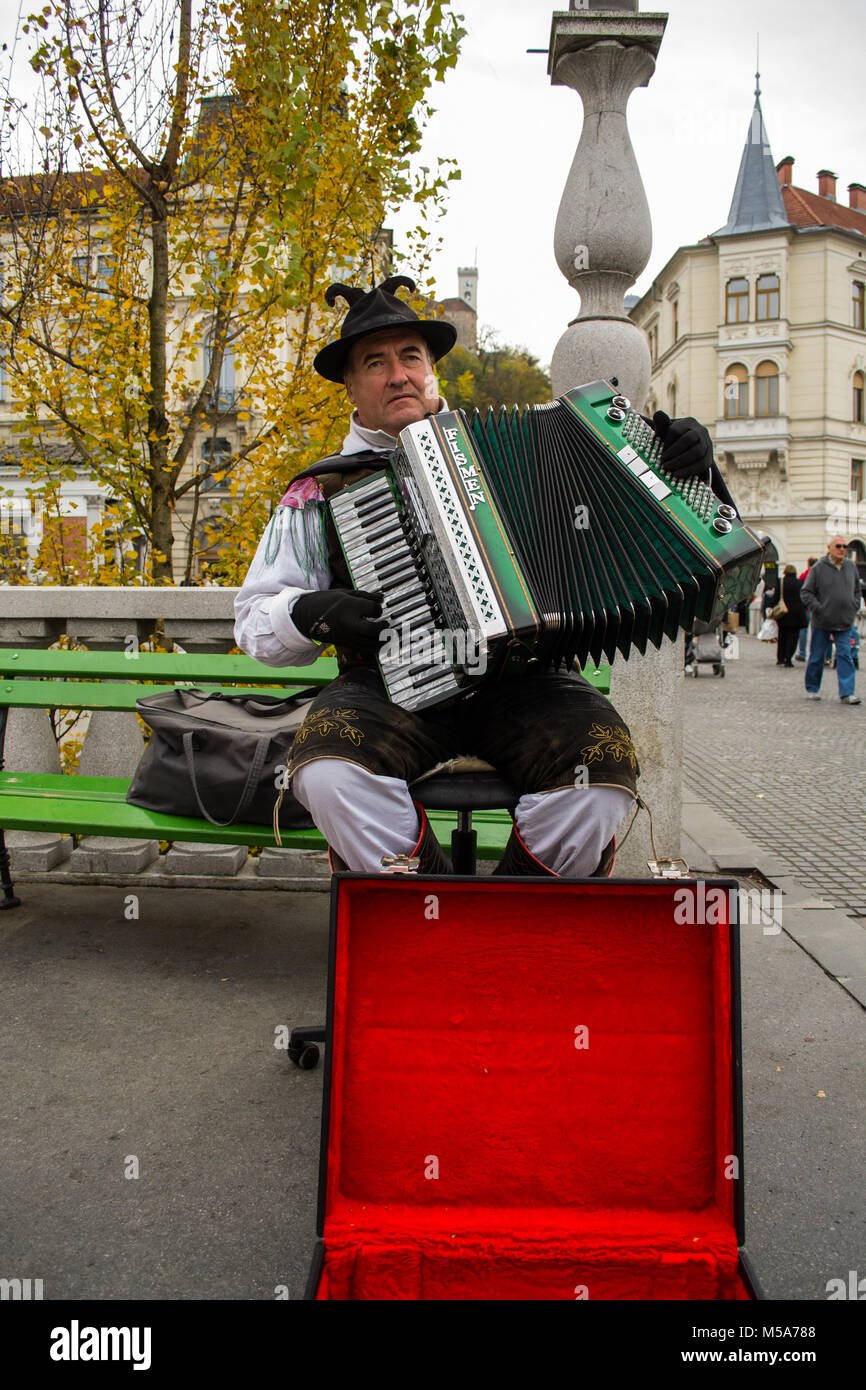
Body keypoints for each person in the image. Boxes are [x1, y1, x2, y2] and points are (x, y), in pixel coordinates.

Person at [234, 276, 735, 875]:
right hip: (388, 688)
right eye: (375, 362)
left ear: (432, 369)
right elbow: (254, 619)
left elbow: (645, 521)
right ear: (349, 384)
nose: (398, 375)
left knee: (599, 778)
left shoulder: (541, 444)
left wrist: (691, 473)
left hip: (530, 681)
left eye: (410, 356)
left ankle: (512, 921)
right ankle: (432, 906)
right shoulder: (323, 487)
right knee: (326, 774)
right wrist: (310, 612)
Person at [802, 537, 861, 704]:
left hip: (845, 621)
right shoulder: (818, 568)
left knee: (845, 656)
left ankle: (847, 692)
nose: (842, 549)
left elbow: (857, 589)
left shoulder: (851, 566)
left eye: (845, 546)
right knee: (817, 657)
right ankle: (813, 688)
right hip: (822, 622)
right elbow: (806, 592)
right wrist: (819, 608)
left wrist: (854, 604)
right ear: (829, 548)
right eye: (838, 546)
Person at [775, 564, 807, 667]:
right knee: (793, 637)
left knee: (782, 636)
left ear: (785, 572)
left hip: (783, 613)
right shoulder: (800, 583)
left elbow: (775, 598)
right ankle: (788, 658)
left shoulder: (781, 582)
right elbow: (804, 598)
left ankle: (780, 658)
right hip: (797, 614)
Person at [794, 557, 817, 662]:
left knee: (803, 630)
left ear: (808, 564)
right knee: (818, 632)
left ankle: (802, 653)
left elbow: (801, 591)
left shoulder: (804, 575)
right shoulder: (821, 574)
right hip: (818, 607)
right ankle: (817, 654)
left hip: (806, 607)